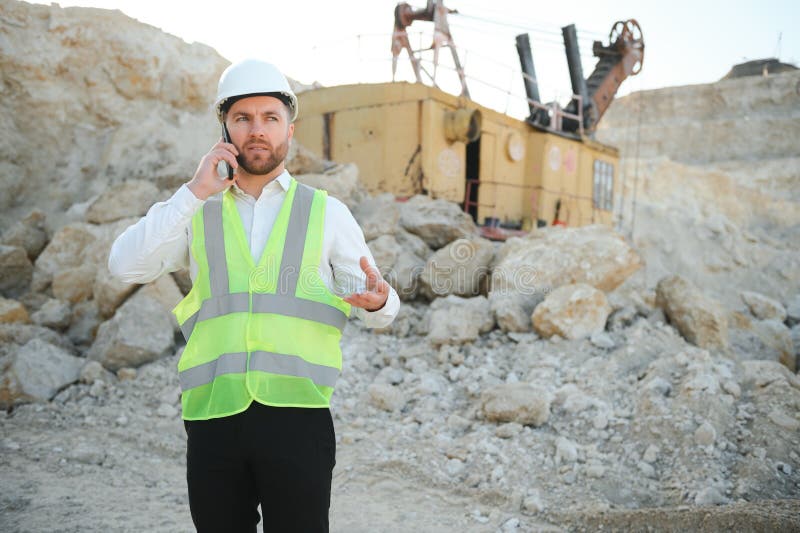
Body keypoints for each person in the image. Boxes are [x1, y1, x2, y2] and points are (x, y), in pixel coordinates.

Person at [108, 58, 400, 532]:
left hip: (298, 418)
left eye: (270, 118)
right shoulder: (195, 211)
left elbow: (383, 308)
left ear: (289, 128)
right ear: (223, 127)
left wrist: (381, 302)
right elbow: (123, 266)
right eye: (243, 118)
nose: (257, 131)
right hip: (213, 417)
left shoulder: (327, 213)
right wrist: (193, 191)